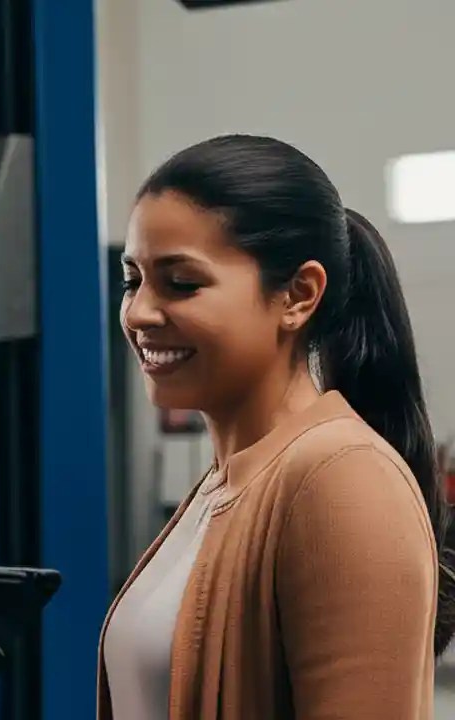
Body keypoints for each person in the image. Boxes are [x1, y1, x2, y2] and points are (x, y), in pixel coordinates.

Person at [99, 133, 454, 720]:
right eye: (132, 280)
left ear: (298, 295)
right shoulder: (224, 484)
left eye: (182, 283)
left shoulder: (341, 480)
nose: (138, 313)